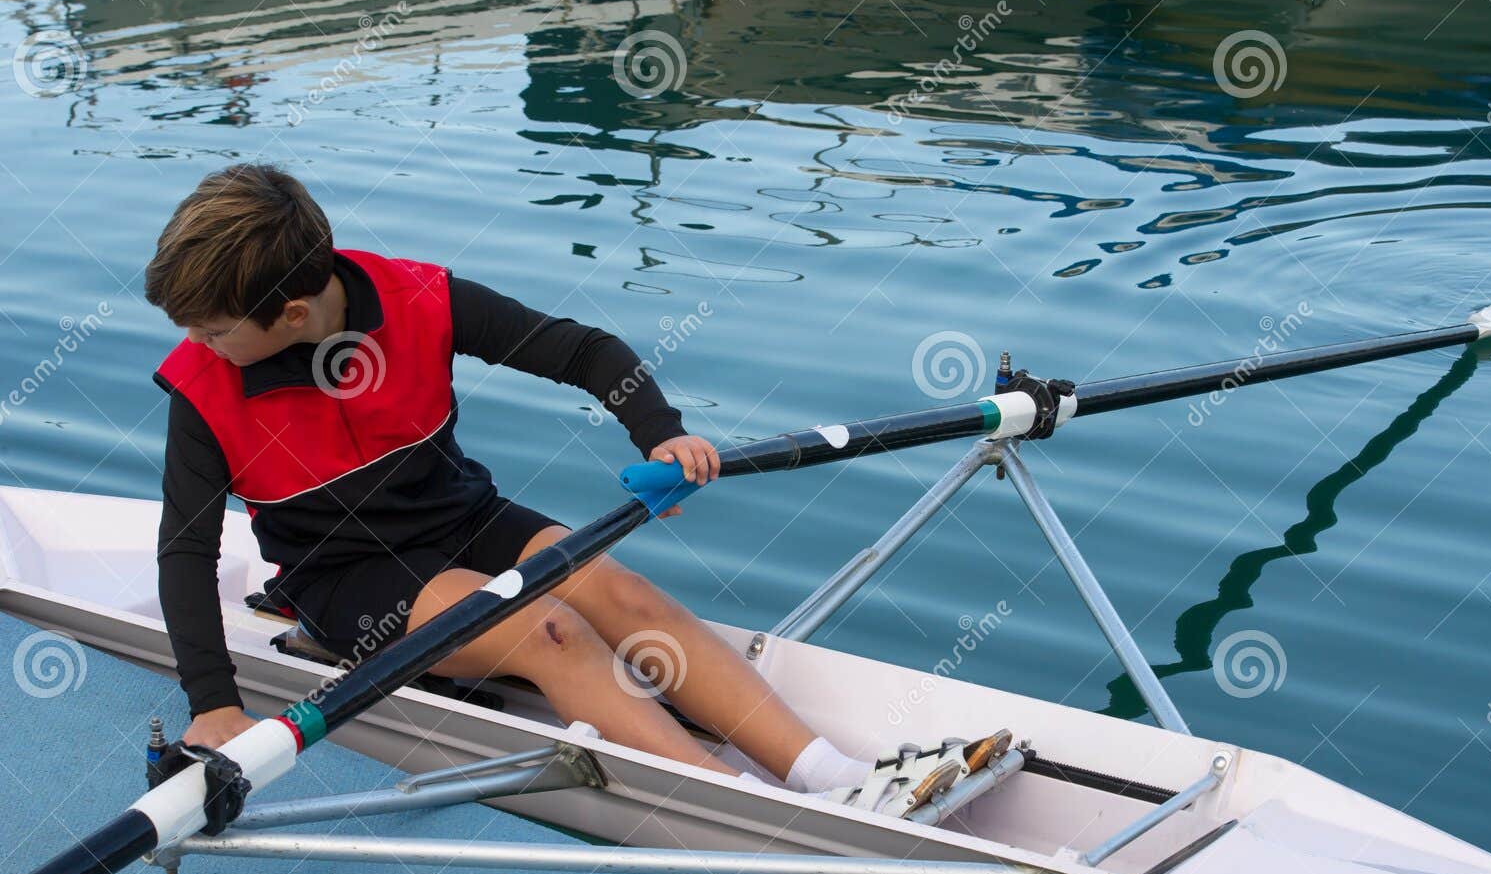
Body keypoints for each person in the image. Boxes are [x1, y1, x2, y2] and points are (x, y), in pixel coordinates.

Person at [146, 162, 998, 818]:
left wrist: (659, 431)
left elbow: (582, 350)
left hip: (466, 517)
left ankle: (833, 774)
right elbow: (185, 549)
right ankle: (747, 804)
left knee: (617, 586)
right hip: (349, 579)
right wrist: (214, 703)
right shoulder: (202, 390)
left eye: (216, 329)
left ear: (294, 312)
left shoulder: (419, 298)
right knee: (547, 626)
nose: (201, 343)